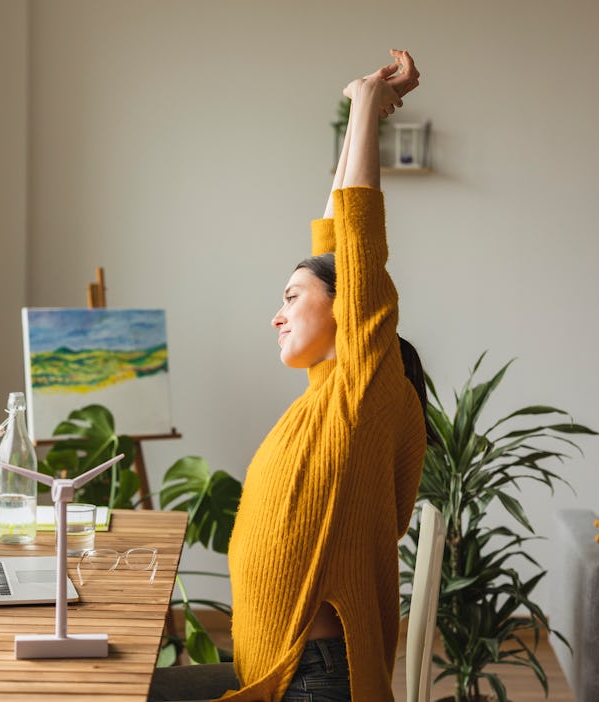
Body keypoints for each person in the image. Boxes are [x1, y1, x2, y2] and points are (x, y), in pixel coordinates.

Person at [150, 48, 425, 702]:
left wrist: (363, 103)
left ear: (348, 305)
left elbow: (354, 238)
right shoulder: (332, 394)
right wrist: (365, 113)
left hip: (310, 683)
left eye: (293, 296)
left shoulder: (364, 382)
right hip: (273, 672)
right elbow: (333, 238)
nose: (276, 316)